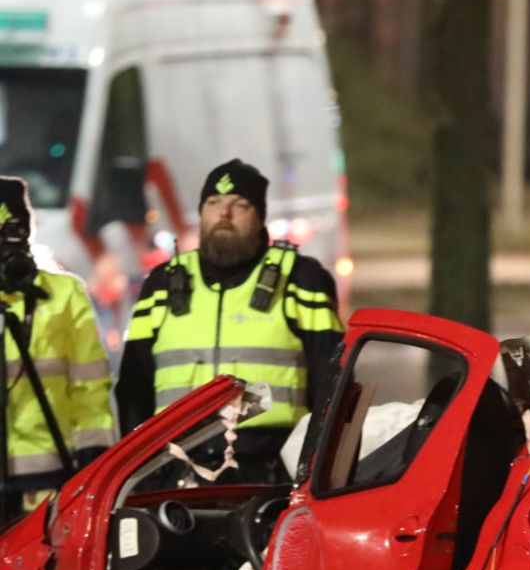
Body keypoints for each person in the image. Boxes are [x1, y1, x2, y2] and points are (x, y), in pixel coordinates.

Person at [116, 158, 343, 482]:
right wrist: (137, 474)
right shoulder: (162, 283)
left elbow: (332, 384)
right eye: (213, 203)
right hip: (173, 470)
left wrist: (316, 471)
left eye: (240, 204)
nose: (224, 213)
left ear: (260, 216)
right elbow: (133, 390)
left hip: (272, 474)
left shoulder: (300, 279)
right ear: (201, 213)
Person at [0, 176, 114, 522]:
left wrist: (95, 460)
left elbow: (91, 388)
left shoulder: (63, 294)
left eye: (12, 229)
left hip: (49, 475)